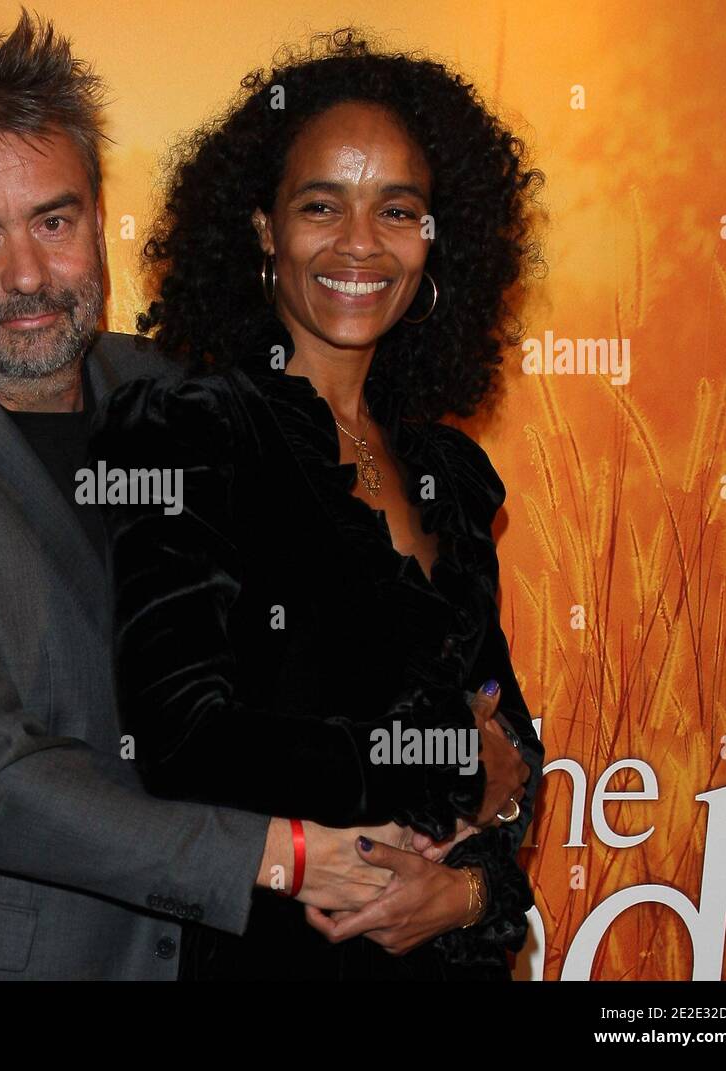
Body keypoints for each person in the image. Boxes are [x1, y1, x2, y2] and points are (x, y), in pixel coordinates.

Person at [0, 13, 471, 981]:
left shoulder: (188, 398)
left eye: (53, 221)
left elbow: (335, 666)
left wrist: (460, 859)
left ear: (99, 218)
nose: (26, 276)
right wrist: (285, 855)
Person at [88, 27, 546, 979]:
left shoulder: (449, 472)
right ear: (263, 229)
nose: (358, 245)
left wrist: (466, 894)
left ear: (433, 237)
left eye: (397, 210)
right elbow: (181, 736)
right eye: (321, 206)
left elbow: (515, 750)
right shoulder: (190, 430)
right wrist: (444, 759)